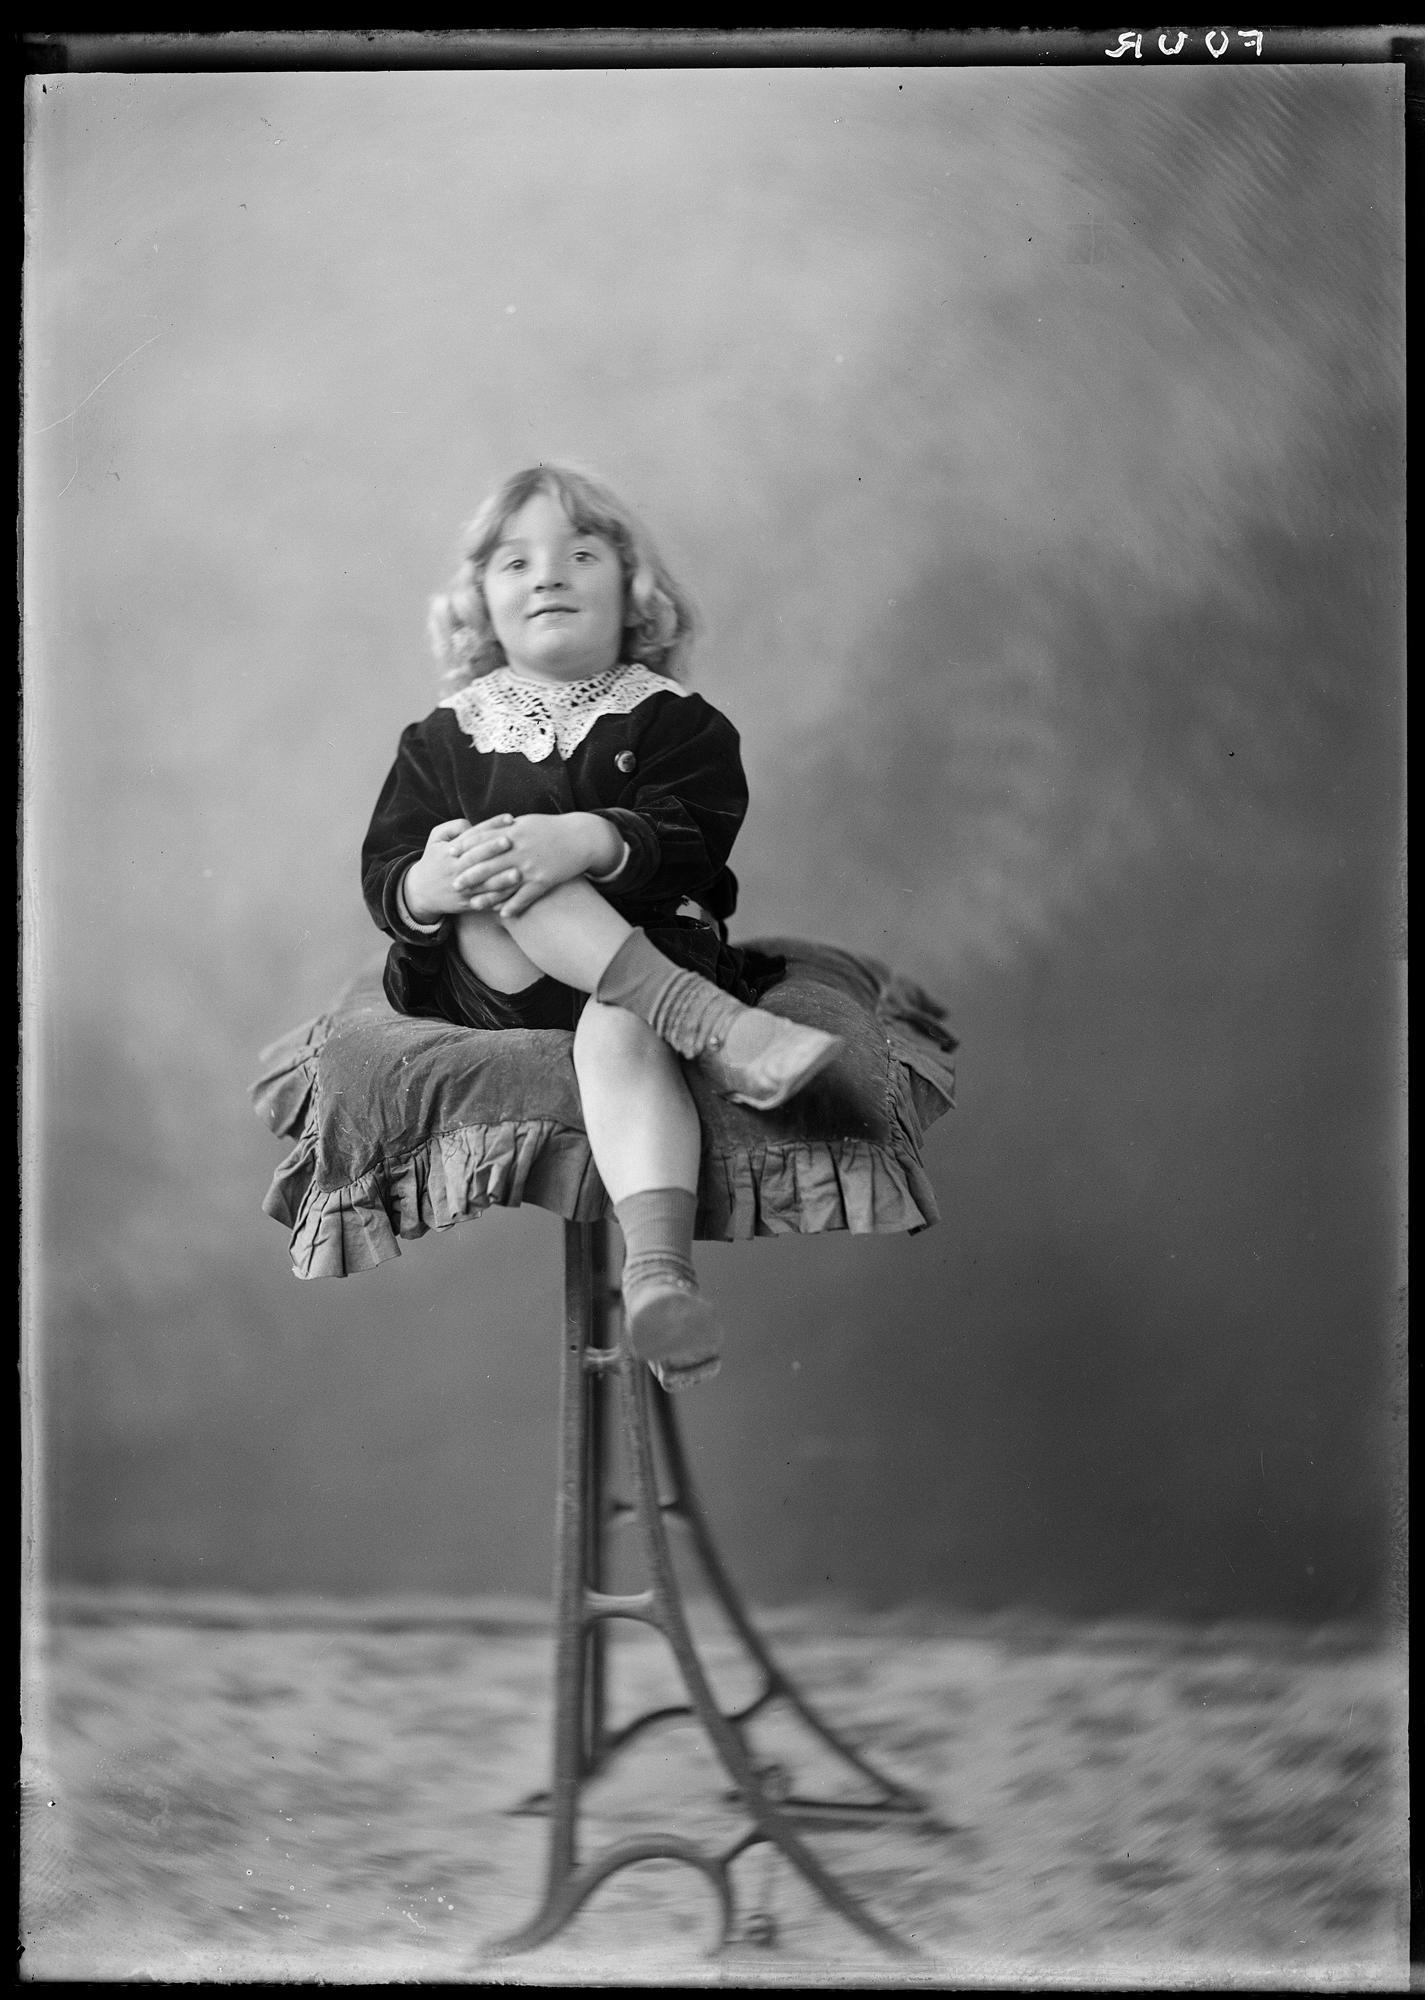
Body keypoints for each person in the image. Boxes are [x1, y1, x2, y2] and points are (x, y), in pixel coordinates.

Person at [361, 463, 842, 1389]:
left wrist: (583, 838)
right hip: (495, 978)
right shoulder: (442, 737)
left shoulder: (675, 722)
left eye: (580, 554)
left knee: (620, 1020)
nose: (548, 575)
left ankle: (659, 1278)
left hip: (642, 956)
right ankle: (711, 1025)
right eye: (515, 562)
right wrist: (428, 882)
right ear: (478, 605)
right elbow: (385, 874)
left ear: (633, 594)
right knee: (501, 864)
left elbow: (694, 837)